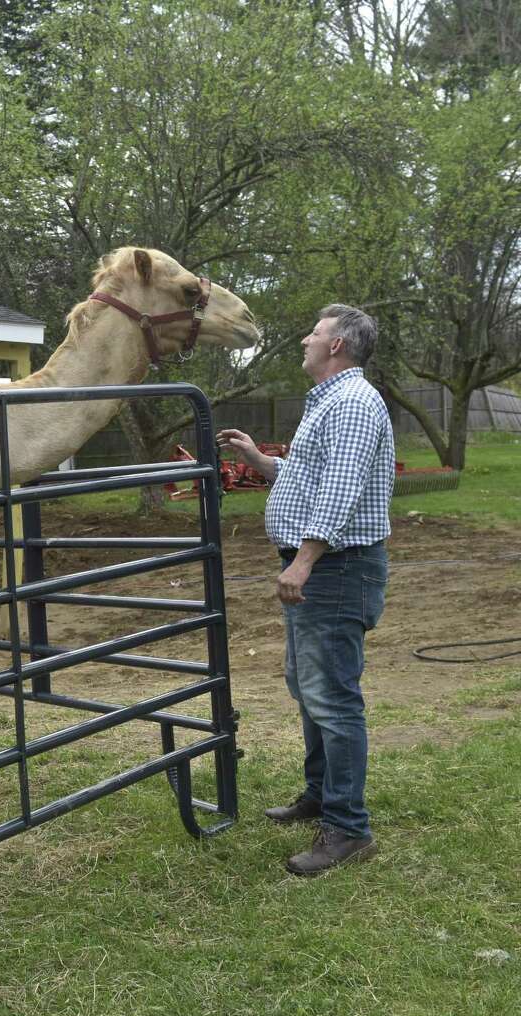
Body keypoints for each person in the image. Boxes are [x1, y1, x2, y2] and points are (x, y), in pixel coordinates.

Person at [218, 305, 394, 876]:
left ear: (337, 344)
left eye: (314, 332)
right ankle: (321, 794)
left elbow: (339, 492)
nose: (304, 338)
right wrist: (259, 461)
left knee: (333, 698)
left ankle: (347, 828)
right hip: (324, 570)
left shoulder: (352, 405)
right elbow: (312, 477)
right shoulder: (331, 401)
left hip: (336, 571)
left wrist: (304, 561)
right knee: (309, 685)